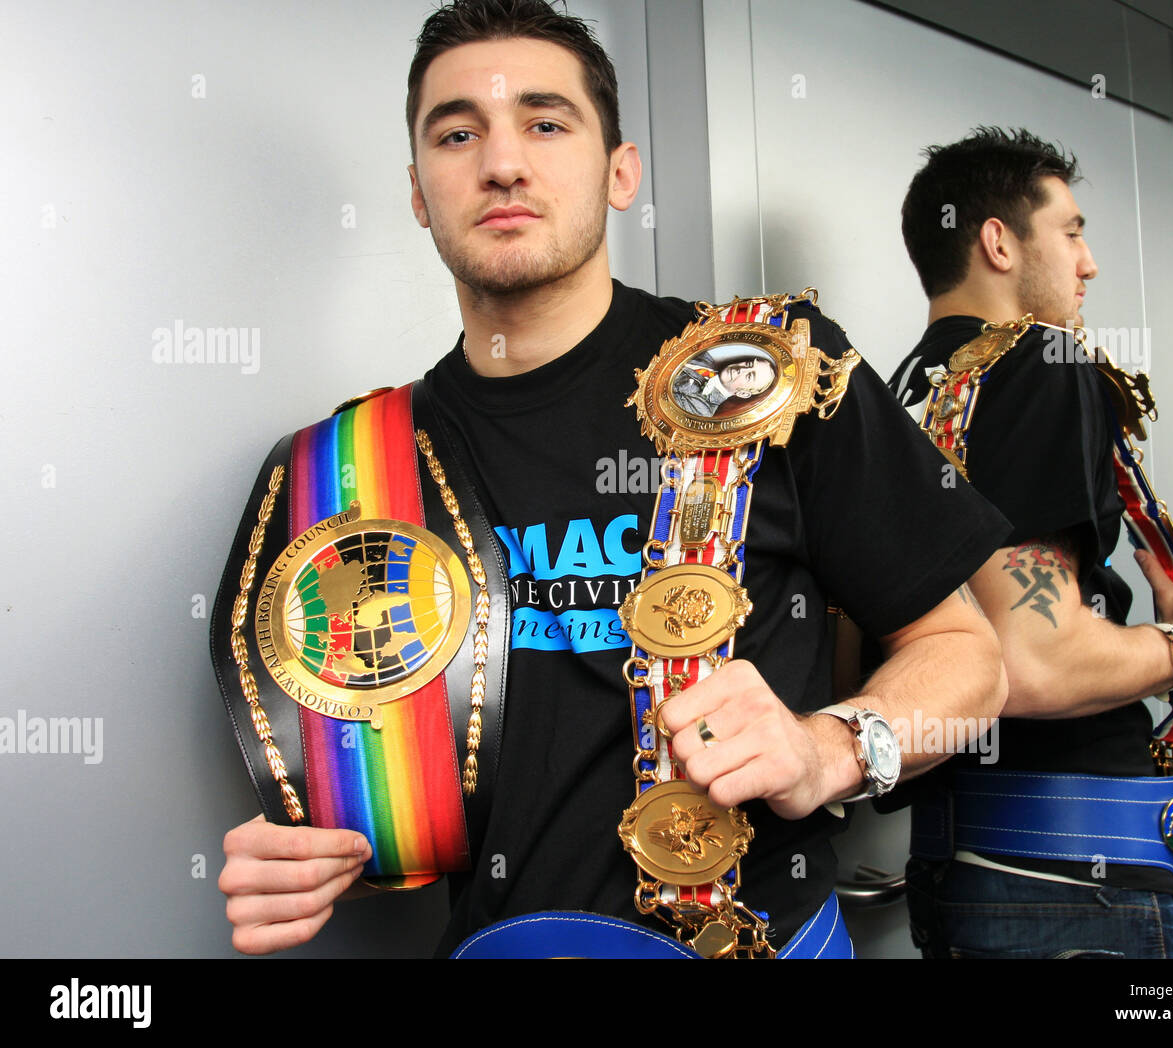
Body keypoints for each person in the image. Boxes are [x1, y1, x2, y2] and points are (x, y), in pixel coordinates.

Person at [217, 0, 1009, 958]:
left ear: (621, 171)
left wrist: (830, 748)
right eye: (458, 133)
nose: (503, 163)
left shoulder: (773, 372)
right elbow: (367, 777)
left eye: (547, 123)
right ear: (420, 192)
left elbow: (970, 659)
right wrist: (305, 854)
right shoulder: (351, 473)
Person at [886, 127, 1173, 959]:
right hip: (1067, 883)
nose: (1088, 263)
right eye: (1070, 232)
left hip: (960, 860)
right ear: (998, 240)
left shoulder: (898, 392)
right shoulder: (1042, 361)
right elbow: (1032, 663)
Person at [670, 348, 777, 418]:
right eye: (749, 364)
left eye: (749, 376)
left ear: (743, 394)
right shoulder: (706, 358)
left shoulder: (702, 411)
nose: (742, 369)